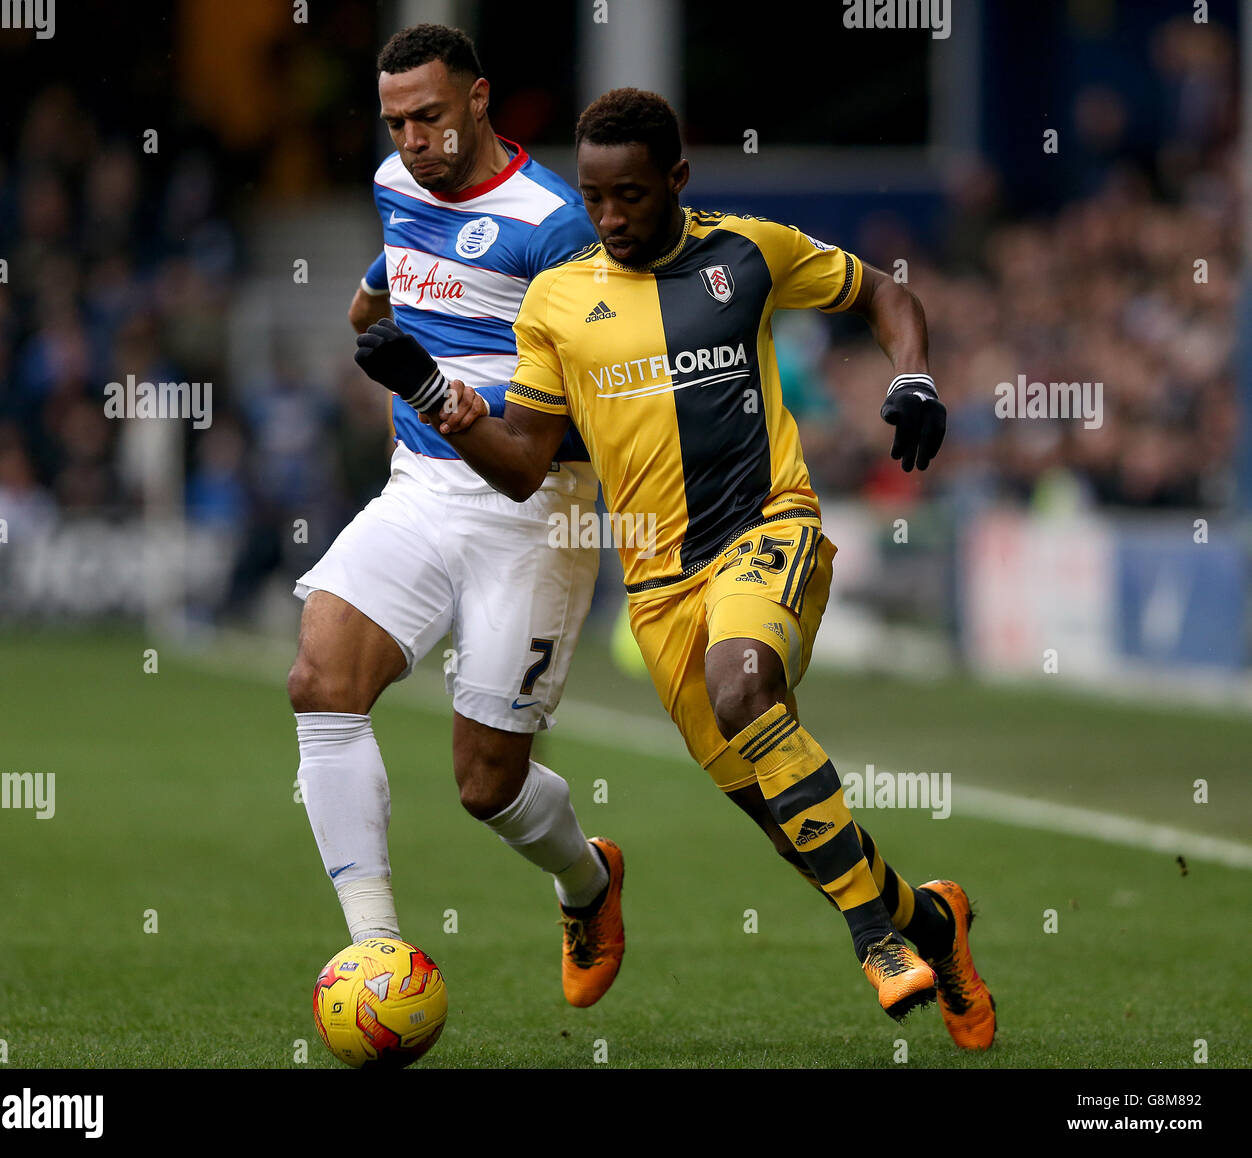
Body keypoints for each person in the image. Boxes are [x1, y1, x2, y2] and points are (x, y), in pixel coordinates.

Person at [355, 88, 995, 1048]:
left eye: (632, 198)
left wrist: (911, 372)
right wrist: (434, 392)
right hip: (658, 587)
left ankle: (874, 939)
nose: (610, 220)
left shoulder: (750, 251)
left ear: (677, 182)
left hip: (766, 530)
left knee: (745, 691)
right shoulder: (559, 302)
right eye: (595, 198)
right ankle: (932, 923)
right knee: (787, 820)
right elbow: (526, 466)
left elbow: (884, 294)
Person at [288, 25, 624, 1010]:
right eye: (395, 123)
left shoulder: (556, 226)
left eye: (429, 117)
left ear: (478, 101)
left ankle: (588, 884)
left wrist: (434, 384)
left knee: (486, 787)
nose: (413, 141)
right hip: (420, 488)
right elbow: (391, 273)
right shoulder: (399, 183)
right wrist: (369, 303)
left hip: (533, 514)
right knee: (319, 681)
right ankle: (376, 956)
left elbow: (537, 454)